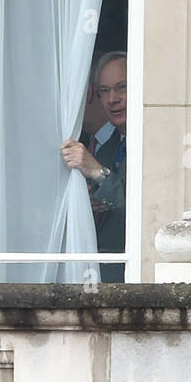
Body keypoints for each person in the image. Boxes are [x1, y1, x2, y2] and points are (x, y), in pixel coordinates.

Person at [60, 51, 127, 282]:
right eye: (105, 91)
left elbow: (142, 213)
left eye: (122, 87)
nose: (113, 99)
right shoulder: (110, 146)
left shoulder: (154, 145)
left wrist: (97, 172)